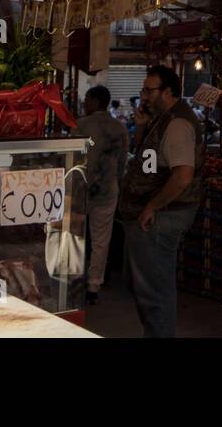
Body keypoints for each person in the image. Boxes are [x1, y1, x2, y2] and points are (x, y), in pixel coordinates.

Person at [118, 65, 206, 337]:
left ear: (167, 92)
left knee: (155, 291)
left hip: (162, 217)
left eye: (149, 90)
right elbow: (148, 165)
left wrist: (151, 207)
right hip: (152, 213)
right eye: (143, 89)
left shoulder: (177, 123)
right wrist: (142, 129)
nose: (144, 95)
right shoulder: (161, 119)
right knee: (147, 289)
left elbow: (183, 176)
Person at [77, 85, 129, 305]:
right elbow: (123, 162)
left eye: (87, 99)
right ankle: (93, 286)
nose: (84, 103)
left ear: (96, 102)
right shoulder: (120, 128)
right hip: (109, 189)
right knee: (101, 240)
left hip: (81, 188)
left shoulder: (81, 125)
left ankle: (71, 280)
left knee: (74, 235)